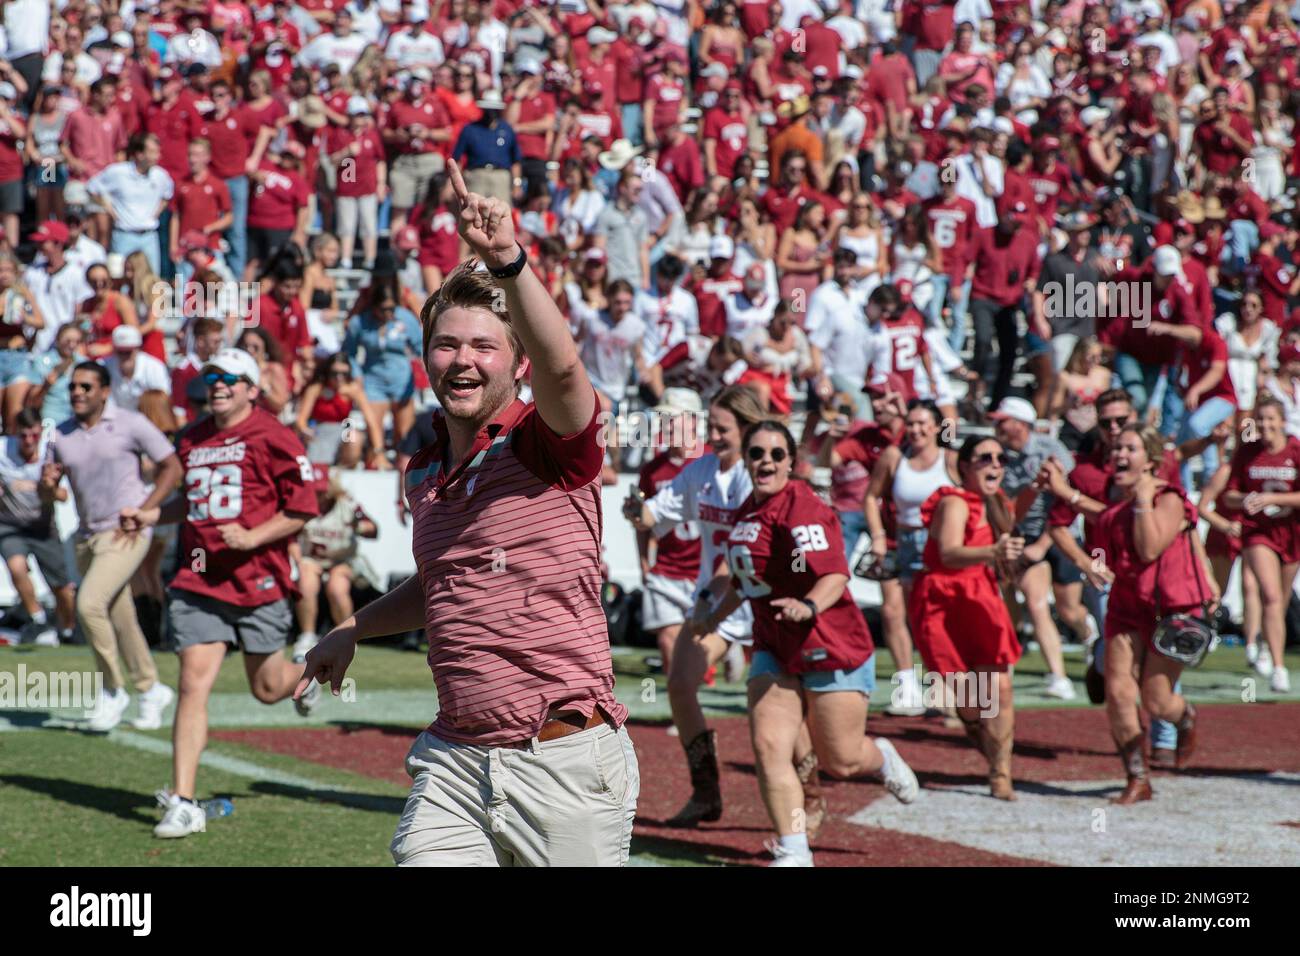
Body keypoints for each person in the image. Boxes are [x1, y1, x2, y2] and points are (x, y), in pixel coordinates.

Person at [298, 160, 639, 866]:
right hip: (454, 756)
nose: (463, 359)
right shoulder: (423, 460)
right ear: (425, 357)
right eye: (447, 344)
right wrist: (352, 626)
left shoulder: (548, 443)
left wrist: (509, 260)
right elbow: (443, 579)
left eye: (484, 345)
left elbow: (568, 372)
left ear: (517, 363)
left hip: (563, 759)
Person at [119, 348, 322, 839]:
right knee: (192, 682)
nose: (218, 384)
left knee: (268, 688)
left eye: (230, 377)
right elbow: (191, 503)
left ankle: (308, 673)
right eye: (212, 377)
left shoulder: (275, 434)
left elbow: (303, 507)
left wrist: (253, 536)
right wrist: (152, 514)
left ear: (253, 388)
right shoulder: (191, 437)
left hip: (258, 578)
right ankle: (184, 801)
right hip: (200, 579)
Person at [701, 419, 917, 867]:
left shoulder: (801, 506)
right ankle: (795, 849)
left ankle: (882, 759)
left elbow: (836, 574)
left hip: (828, 642)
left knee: (841, 759)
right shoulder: (747, 511)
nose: (766, 462)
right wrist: (712, 618)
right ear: (746, 460)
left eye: (776, 454)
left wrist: (809, 607)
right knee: (769, 746)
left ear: (791, 461)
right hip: (773, 646)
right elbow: (746, 584)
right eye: (757, 453)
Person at [625, 384, 768, 828]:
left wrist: (710, 598)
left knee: (774, 725)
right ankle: (706, 791)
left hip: (760, 601)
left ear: (747, 428)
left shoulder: (758, 475)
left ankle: (815, 790)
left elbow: (745, 553)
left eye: (722, 428)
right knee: (680, 684)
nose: (714, 435)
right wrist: (636, 510)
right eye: (711, 426)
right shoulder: (701, 470)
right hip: (713, 602)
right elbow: (656, 515)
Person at [43, 361, 180, 733]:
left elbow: (172, 465)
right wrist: (47, 484)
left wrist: (148, 509)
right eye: (73, 387)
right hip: (87, 536)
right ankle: (150, 689)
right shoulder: (60, 434)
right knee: (120, 616)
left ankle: (112, 688)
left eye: (86, 387)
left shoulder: (131, 423)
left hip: (126, 530)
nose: (77, 393)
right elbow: (52, 493)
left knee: (88, 604)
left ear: (105, 391)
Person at [1093, 424, 1218, 803]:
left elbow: (1149, 549)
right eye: (1116, 449)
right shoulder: (1113, 510)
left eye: (1129, 448)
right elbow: (1110, 556)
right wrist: (1094, 565)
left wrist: (1144, 500)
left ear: (1149, 461)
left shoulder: (1169, 499)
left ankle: (1184, 717)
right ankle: (1137, 778)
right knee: (1116, 692)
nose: (1119, 455)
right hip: (1127, 606)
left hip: (1172, 609)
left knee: (1156, 700)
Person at [911, 435, 1025, 800]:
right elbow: (947, 553)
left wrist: (1040, 492)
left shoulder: (996, 502)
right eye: (984, 458)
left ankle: (1000, 772)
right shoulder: (954, 502)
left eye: (1000, 457)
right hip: (944, 601)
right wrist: (993, 550)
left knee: (1000, 687)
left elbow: (1012, 532)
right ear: (964, 465)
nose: (994, 464)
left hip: (980, 595)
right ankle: (979, 731)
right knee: (970, 698)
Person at [988, 396, 1078, 700]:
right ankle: (1057, 675)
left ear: (1020, 424)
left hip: (1062, 534)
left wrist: (1043, 543)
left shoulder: (1051, 450)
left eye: (1003, 421)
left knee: (1069, 609)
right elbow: (1008, 508)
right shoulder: (998, 457)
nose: (998, 426)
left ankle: (1088, 632)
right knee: (1034, 601)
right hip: (1025, 537)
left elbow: (1067, 500)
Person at [1222, 396, 1300, 694]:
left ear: (1282, 421)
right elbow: (1228, 495)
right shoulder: (1247, 452)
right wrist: (1247, 500)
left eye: (1271, 419)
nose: (1266, 425)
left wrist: (1274, 499)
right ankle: (1279, 667)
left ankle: (1268, 645)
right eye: (1261, 419)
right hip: (1258, 532)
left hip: (1290, 531)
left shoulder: (1295, 450)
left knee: (1278, 599)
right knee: (1268, 594)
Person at [633, 388, 705, 686]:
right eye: (664, 419)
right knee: (667, 639)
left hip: (707, 571)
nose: (666, 426)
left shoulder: (714, 461)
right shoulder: (652, 470)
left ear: (692, 421)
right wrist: (643, 562)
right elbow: (642, 522)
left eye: (672, 419)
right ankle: (685, 706)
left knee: (702, 643)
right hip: (667, 569)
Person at [0, 409, 76, 646]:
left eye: (34, 435)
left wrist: (47, 489)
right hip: (11, 525)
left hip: (44, 527)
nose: (29, 441)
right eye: (24, 436)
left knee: (62, 588)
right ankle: (38, 618)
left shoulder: (50, 454)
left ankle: (68, 630)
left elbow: (62, 496)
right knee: (16, 566)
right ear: (15, 434)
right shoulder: (3, 450)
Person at [291, 464, 380, 659]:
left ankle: (346, 635)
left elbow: (374, 530)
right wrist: (298, 561)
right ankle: (307, 635)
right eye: (315, 491)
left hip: (342, 560)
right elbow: (291, 538)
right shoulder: (300, 504)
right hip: (312, 560)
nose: (319, 496)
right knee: (306, 578)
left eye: (322, 491)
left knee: (336, 588)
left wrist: (357, 527)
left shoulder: (347, 504)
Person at [341, 283, 422, 449]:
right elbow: (349, 352)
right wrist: (356, 374)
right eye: (383, 309)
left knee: (405, 435)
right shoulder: (360, 322)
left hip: (401, 378)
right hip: (373, 380)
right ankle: (376, 461)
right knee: (374, 430)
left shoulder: (405, 318)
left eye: (392, 308)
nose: (388, 313)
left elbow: (420, 345)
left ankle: (403, 468)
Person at [86, 132, 174, 275]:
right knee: (120, 277)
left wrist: (155, 213)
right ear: (139, 154)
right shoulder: (117, 172)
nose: (156, 156)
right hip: (124, 235)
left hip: (149, 235)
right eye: (152, 152)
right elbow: (92, 188)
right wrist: (110, 209)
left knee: (152, 280)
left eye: (157, 152)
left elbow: (167, 195)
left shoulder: (161, 175)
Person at [294, 352, 388, 470]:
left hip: (342, 432)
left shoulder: (353, 390)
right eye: (335, 373)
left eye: (344, 373)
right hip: (319, 431)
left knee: (355, 437)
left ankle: (345, 468)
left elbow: (371, 421)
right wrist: (305, 431)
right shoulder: (317, 388)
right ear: (328, 372)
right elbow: (301, 419)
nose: (339, 377)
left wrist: (378, 451)